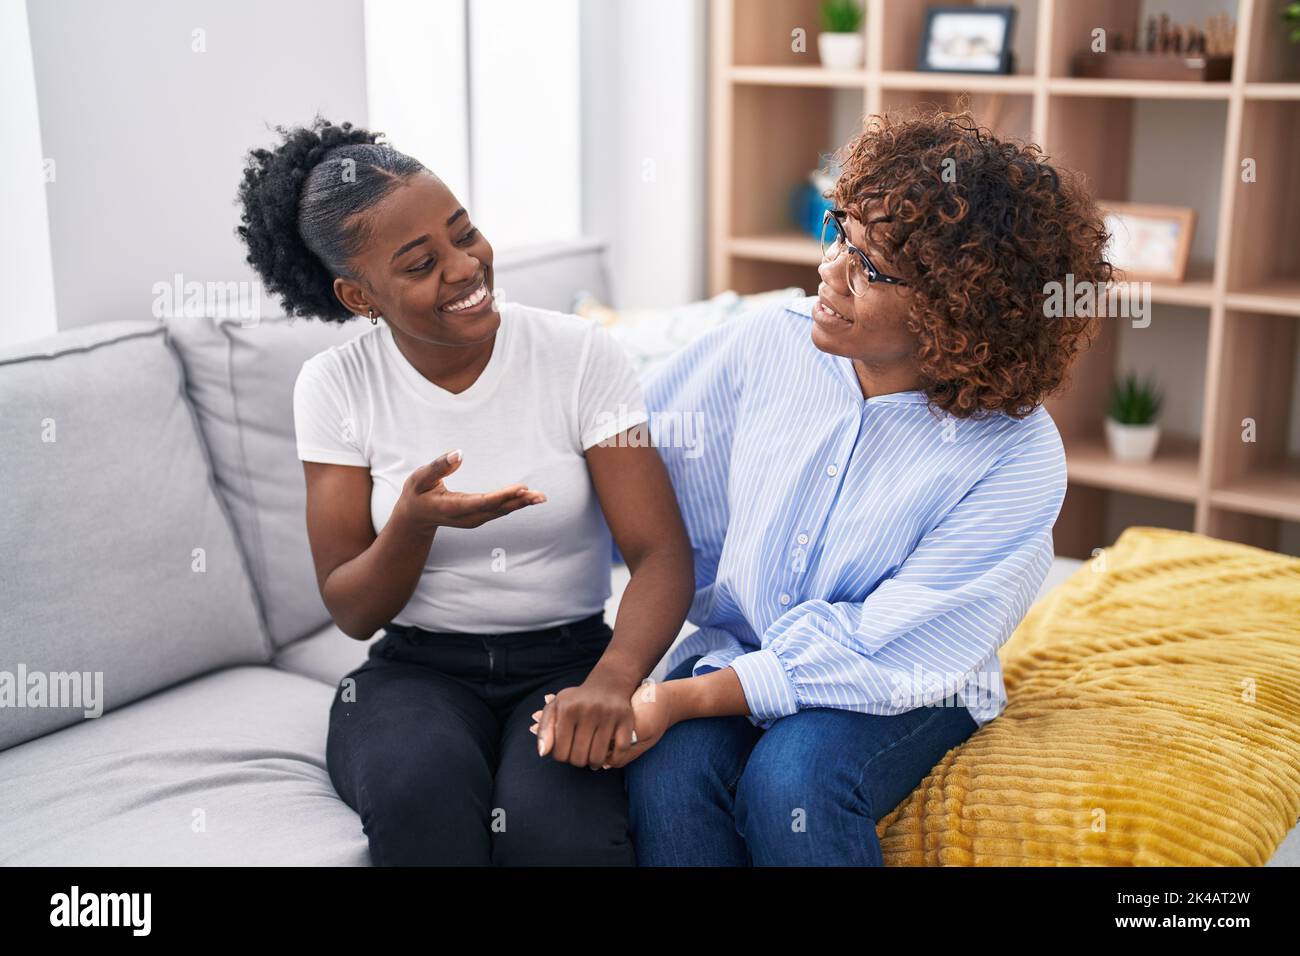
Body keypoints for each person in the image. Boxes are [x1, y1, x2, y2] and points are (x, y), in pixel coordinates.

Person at [606, 108, 1109, 866]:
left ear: (959, 309)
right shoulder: (764, 343)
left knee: (793, 781)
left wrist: (681, 695)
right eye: (840, 234)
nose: (827, 271)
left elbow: (892, 649)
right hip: (741, 648)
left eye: (868, 268)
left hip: (905, 683)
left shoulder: (1017, 456)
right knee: (670, 776)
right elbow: (625, 442)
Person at [235, 118, 693, 865]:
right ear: (359, 295)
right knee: (424, 798)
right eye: (420, 264)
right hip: (415, 671)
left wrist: (613, 682)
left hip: (569, 660)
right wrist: (412, 526)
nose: (464, 267)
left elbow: (660, 553)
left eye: (464, 233)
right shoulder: (335, 386)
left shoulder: (580, 355)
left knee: (558, 834)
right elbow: (351, 609)